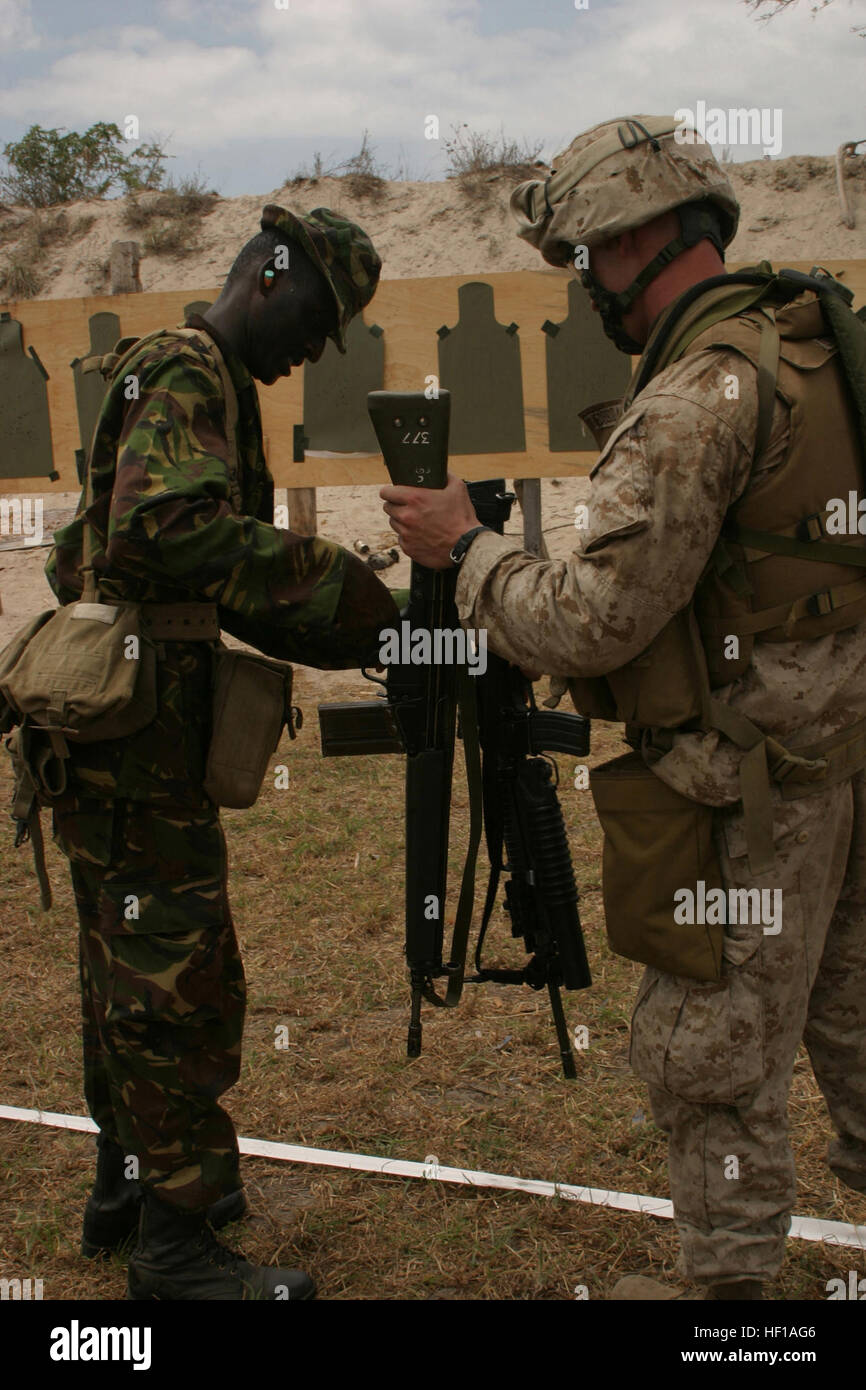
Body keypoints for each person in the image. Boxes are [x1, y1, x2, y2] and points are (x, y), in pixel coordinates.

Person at [380, 116, 866, 1301]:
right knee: (853, 1033)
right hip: (839, 760)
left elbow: (590, 622)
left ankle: (731, 1308)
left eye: (589, 257)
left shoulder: (696, 399)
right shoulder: (817, 348)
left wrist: (469, 547)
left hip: (743, 796)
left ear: (642, 237)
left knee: (714, 1072)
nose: (588, 287)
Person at [44, 204, 398, 1301]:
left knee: (127, 966)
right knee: (176, 985)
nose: (313, 348)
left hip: (120, 741)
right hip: (137, 752)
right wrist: (350, 598)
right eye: (315, 318)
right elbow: (166, 530)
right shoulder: (190, 368)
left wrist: (153, 621)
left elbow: (80, 552)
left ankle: (130, 1183)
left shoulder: (176, 375)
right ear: (269, 273)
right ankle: (176, 1248)